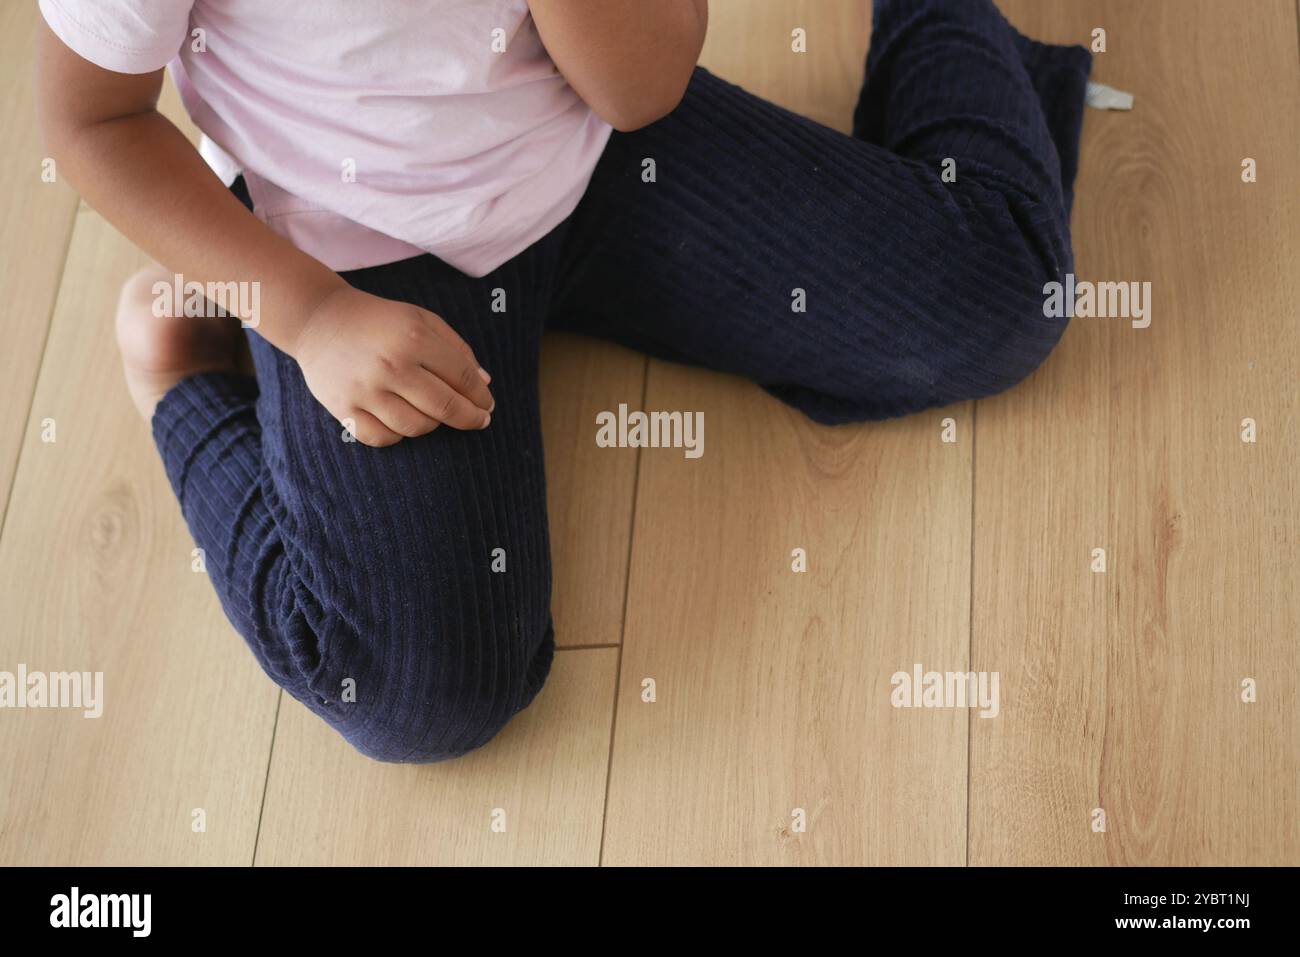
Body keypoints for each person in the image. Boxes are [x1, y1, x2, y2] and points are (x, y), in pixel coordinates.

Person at [36, 0, 1090, 762]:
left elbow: (641, 89)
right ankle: (181, 375)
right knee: (417, 693)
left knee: (997, 296)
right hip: (347, 263)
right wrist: (303, 313)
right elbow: (93, 121)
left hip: (596, 151)